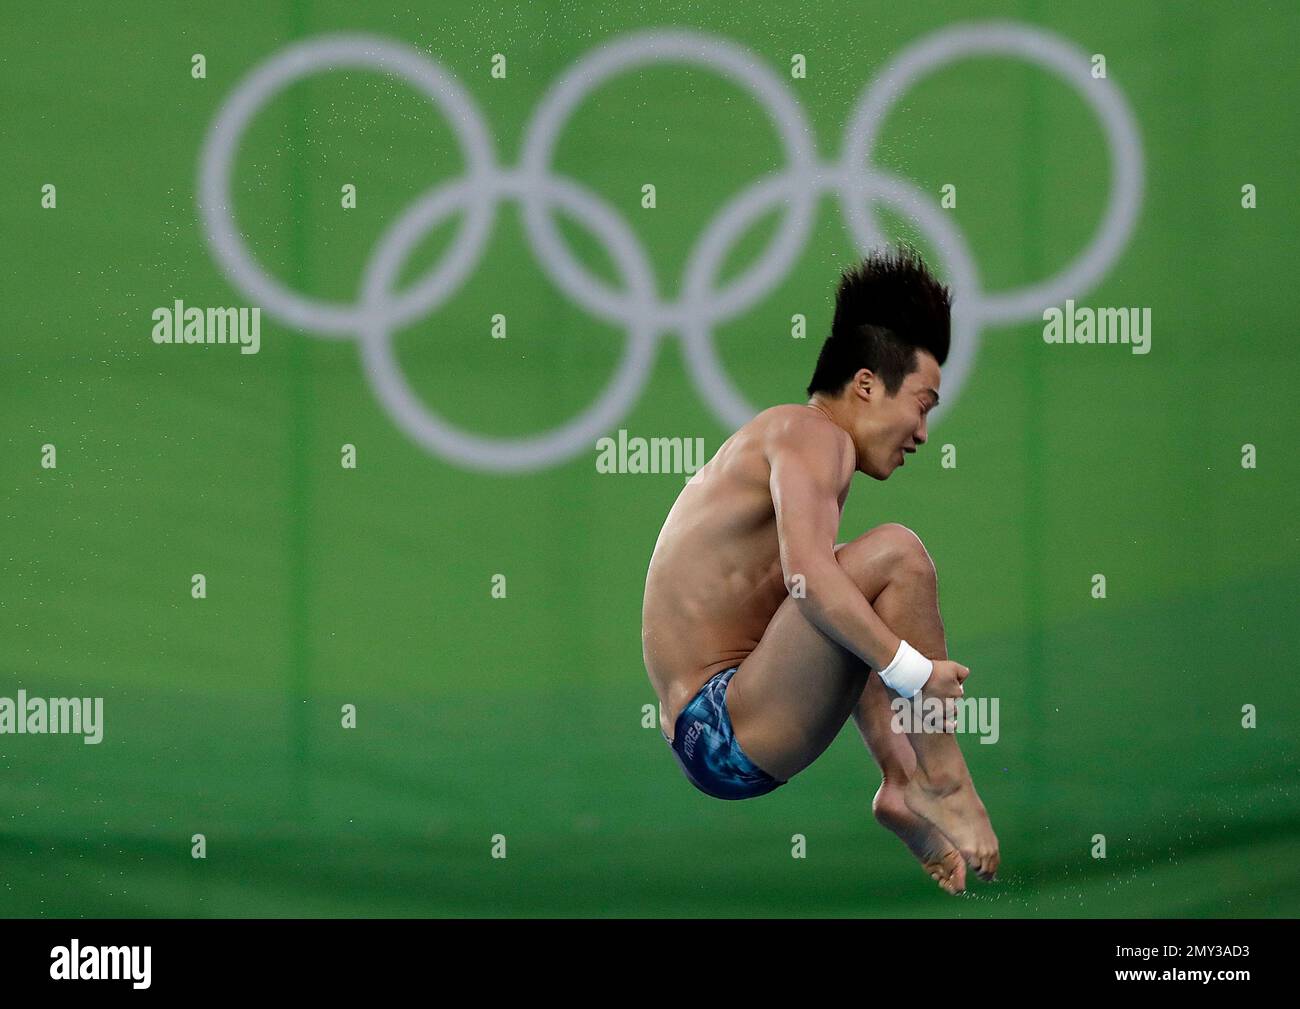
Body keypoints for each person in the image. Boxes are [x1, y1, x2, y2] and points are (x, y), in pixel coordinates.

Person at [641, 245, 999, 893]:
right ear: (866, 383)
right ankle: (943, 779)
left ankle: (901, 779)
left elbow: (821, 602)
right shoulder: (814, 437)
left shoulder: (801, 450)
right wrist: (916, 671)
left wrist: (893, 711)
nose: (923, 431)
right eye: (922, 403)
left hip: (712, 730)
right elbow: (807, 578)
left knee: (846, 594)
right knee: (897, 555)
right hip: (722, 720)